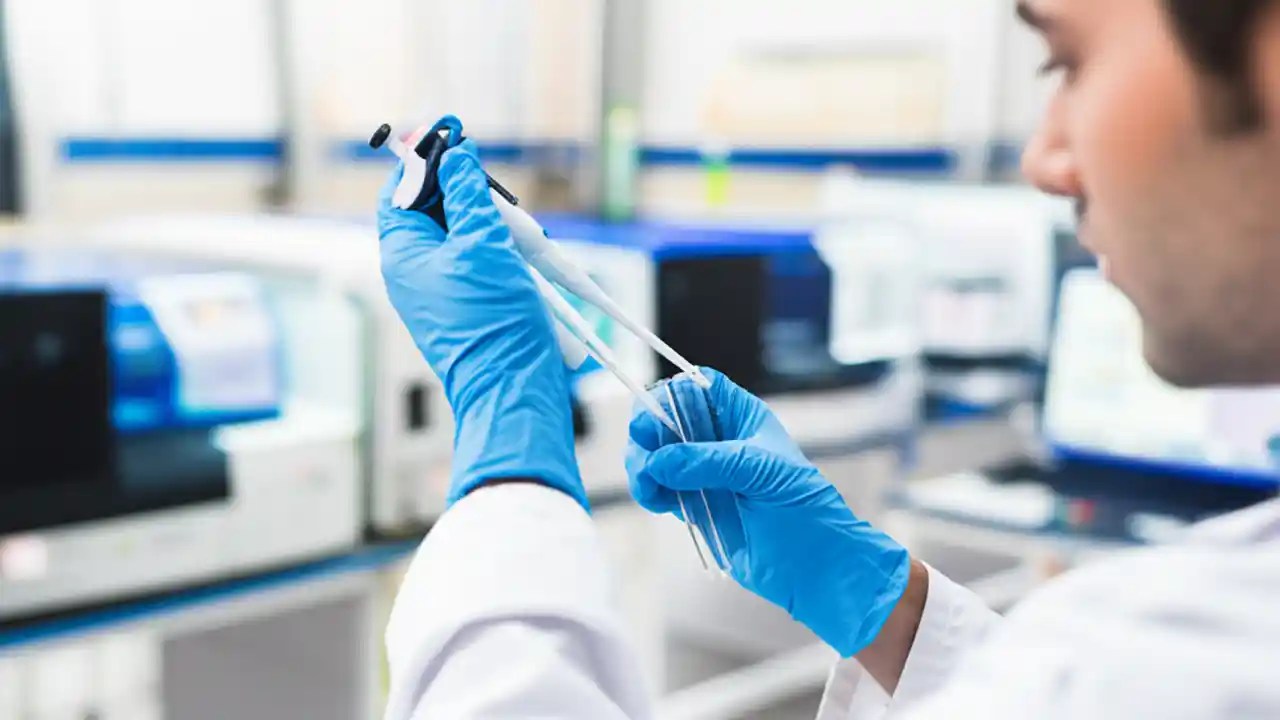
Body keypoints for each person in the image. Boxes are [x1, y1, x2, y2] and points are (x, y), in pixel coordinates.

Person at [378, 0, 1280, 717]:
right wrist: (885, 602)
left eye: (1068, 62)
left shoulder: (1182, 655)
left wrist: (506, 438)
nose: (1045, 158)